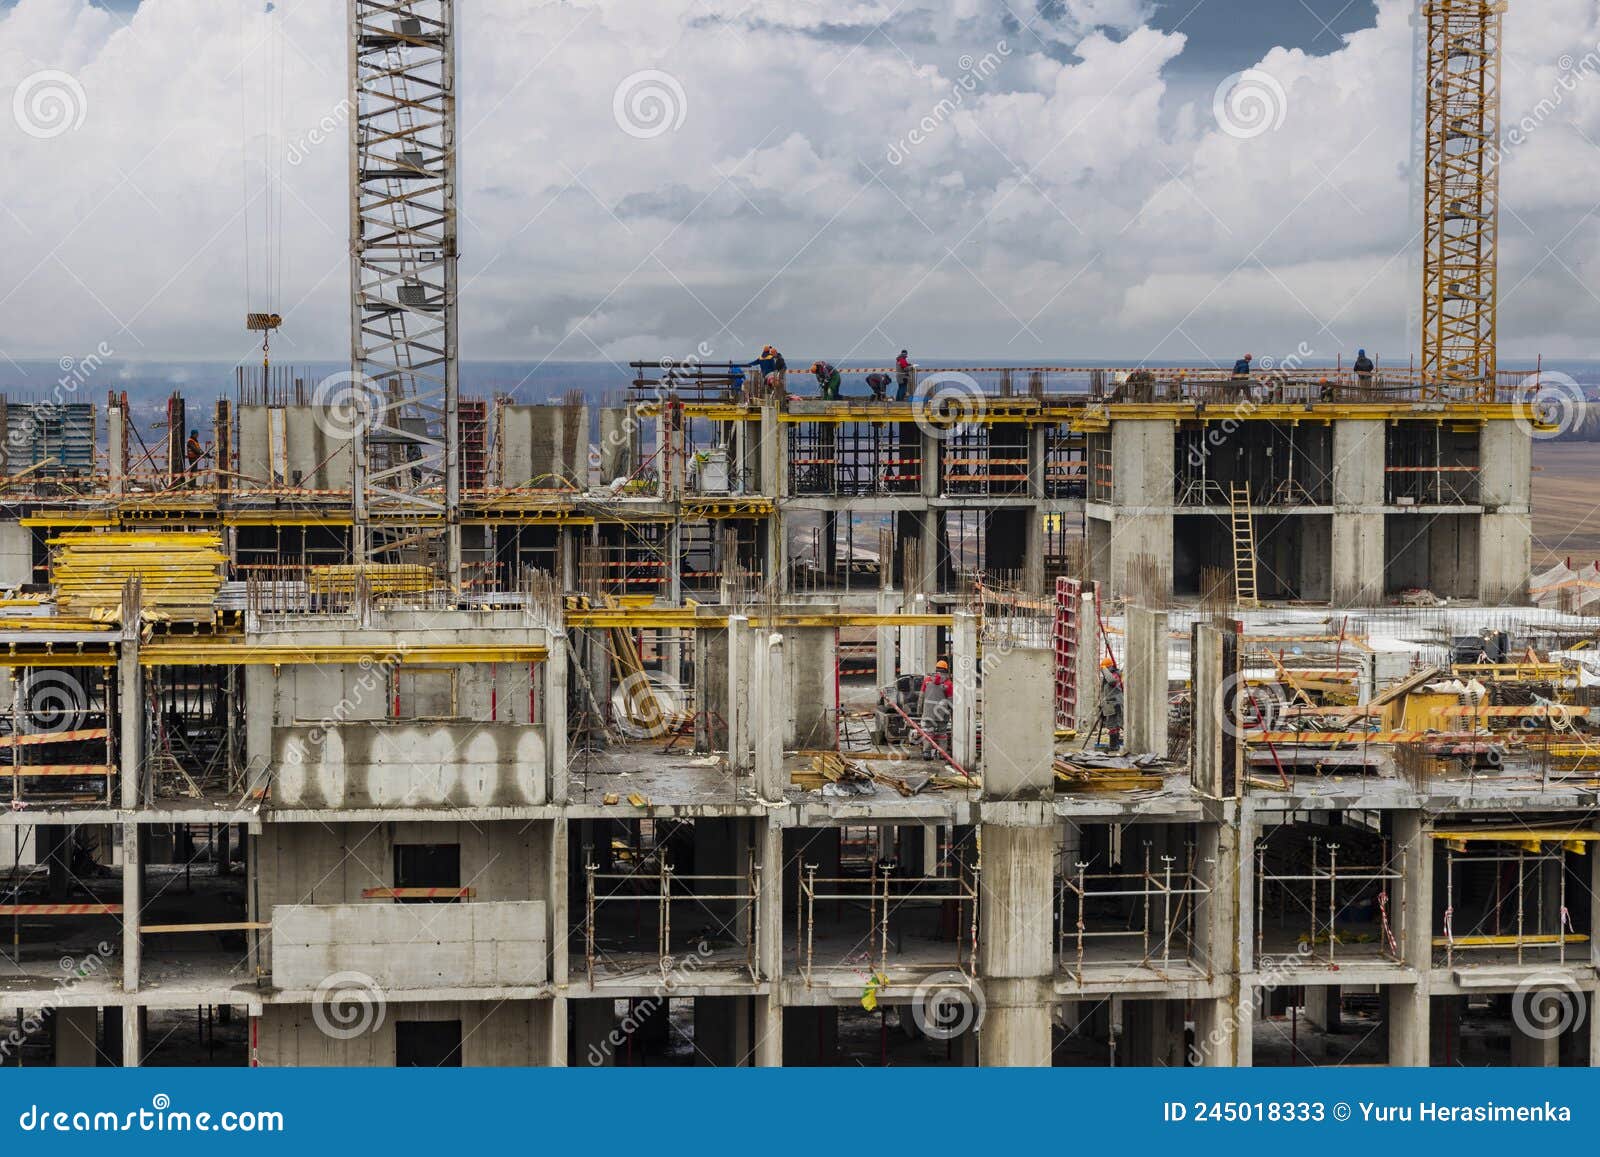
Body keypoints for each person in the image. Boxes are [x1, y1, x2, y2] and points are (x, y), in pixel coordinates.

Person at [919, 659, 954, 758]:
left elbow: (921, 696)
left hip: (928, 712)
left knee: (929, 732)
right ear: (946, 670)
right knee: (942, 733)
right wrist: (951, 713)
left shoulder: (927, 680)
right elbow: (950, 701)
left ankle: (927, 753)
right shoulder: (948, 684)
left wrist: (919, 710)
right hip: (942, 714)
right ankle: (943, 754)